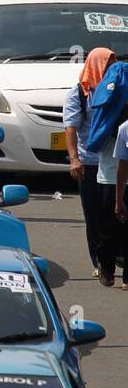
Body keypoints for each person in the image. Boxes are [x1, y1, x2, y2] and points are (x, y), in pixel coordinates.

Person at [66, 49, 114, 280]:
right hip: (89, 161)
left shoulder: (117, 90)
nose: (110, 71)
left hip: (114, 161)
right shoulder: (79, 93)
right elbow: (71, 128)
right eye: (107, 66)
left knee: (114, 211)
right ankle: (99, 260)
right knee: (94, 214)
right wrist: (74, 159)